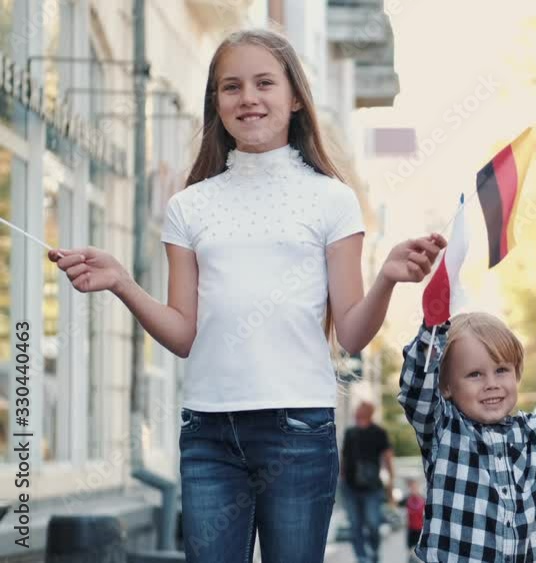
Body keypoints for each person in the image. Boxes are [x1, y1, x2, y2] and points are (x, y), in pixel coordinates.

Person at [48, 29, 444, 562]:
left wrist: (388, 279)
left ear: (295, 97)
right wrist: (122, 281)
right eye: (231, 87)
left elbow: (351, 333)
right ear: (216, 102)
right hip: (208, 432)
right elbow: (183, 334)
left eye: (264, 83)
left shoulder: (332, 200)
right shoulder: (189, 206)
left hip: (299, 429)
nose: (248, 98)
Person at [398, 296, 536, 561]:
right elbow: (416, 390)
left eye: (501, 370)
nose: (491, 384)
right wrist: (432, 327)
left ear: (517, 374)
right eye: (475, 374)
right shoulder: (443, 428)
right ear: (446, 386)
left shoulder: (533, 432)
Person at [341, 400, 395, 563]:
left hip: (372, 488)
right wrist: (342, 480)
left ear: (368, 413)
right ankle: (362, 558)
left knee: (373, 523)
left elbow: (388, 460)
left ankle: (374, 552)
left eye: (360, 411)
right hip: (350, 487)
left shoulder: (379, 432)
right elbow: (344, 459)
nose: (357, 414)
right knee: (355, 525)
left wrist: (390, 488)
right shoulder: (350, 433)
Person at [402, 477, 426, 562]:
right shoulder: (407, 499)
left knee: (419, 548)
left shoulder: (423, 499)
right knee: (410, 549)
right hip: (411, 528)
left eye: (415, 487)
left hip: (420, 529)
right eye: (412, 488)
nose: (414, 490)